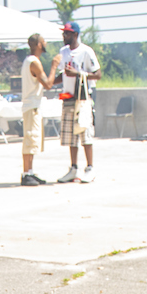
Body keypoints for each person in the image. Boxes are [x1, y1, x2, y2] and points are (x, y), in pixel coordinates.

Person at [55, 22, 101, 184]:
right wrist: (49, 82)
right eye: (64, 33)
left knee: (85, 133)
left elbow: (98, 74)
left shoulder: (86, 51)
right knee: (70, 136)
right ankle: (73, 168)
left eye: (67, 33)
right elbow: (63, 73)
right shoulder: (63, 52)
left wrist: (78, 73)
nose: (64, 36)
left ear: (75, 35)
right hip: (68, 97)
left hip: (82, 99)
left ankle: (90, 167)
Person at [20, 33, 58, 187]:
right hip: (32, 106)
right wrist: (54, 65)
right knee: (30, 139)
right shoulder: (34, 62)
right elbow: (48, 84)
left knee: (33, 140)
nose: (46, 43)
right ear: (39, 45)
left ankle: (30, 172)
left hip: (32, 105)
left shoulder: (29, 61)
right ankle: (26, 173)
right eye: (44, 41)